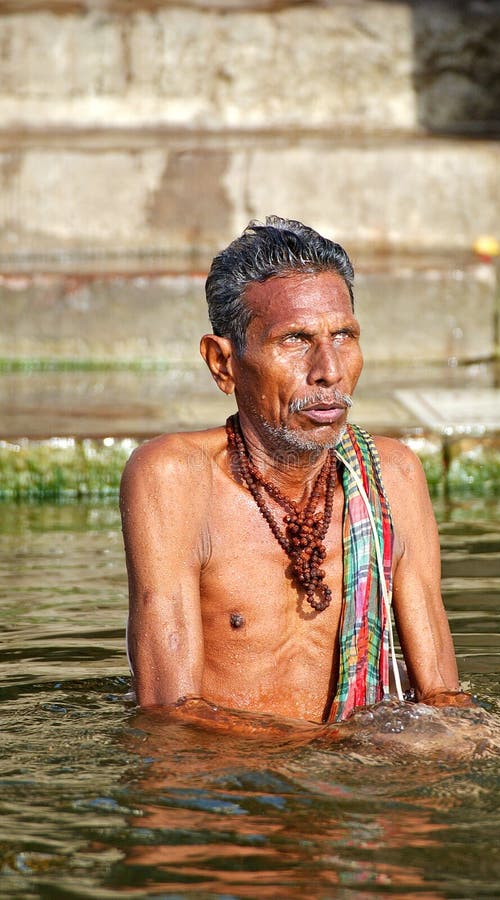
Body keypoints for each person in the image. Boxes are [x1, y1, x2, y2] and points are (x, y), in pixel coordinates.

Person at [120, 216, 472, 726]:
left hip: (355, 766)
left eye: (344, 335)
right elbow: (170, 716)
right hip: (227, 770)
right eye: (295, 340)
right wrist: (320, 752)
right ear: (222, 363)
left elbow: (442, 695)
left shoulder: (392, 476)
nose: (329, 370)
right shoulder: (175, 478)